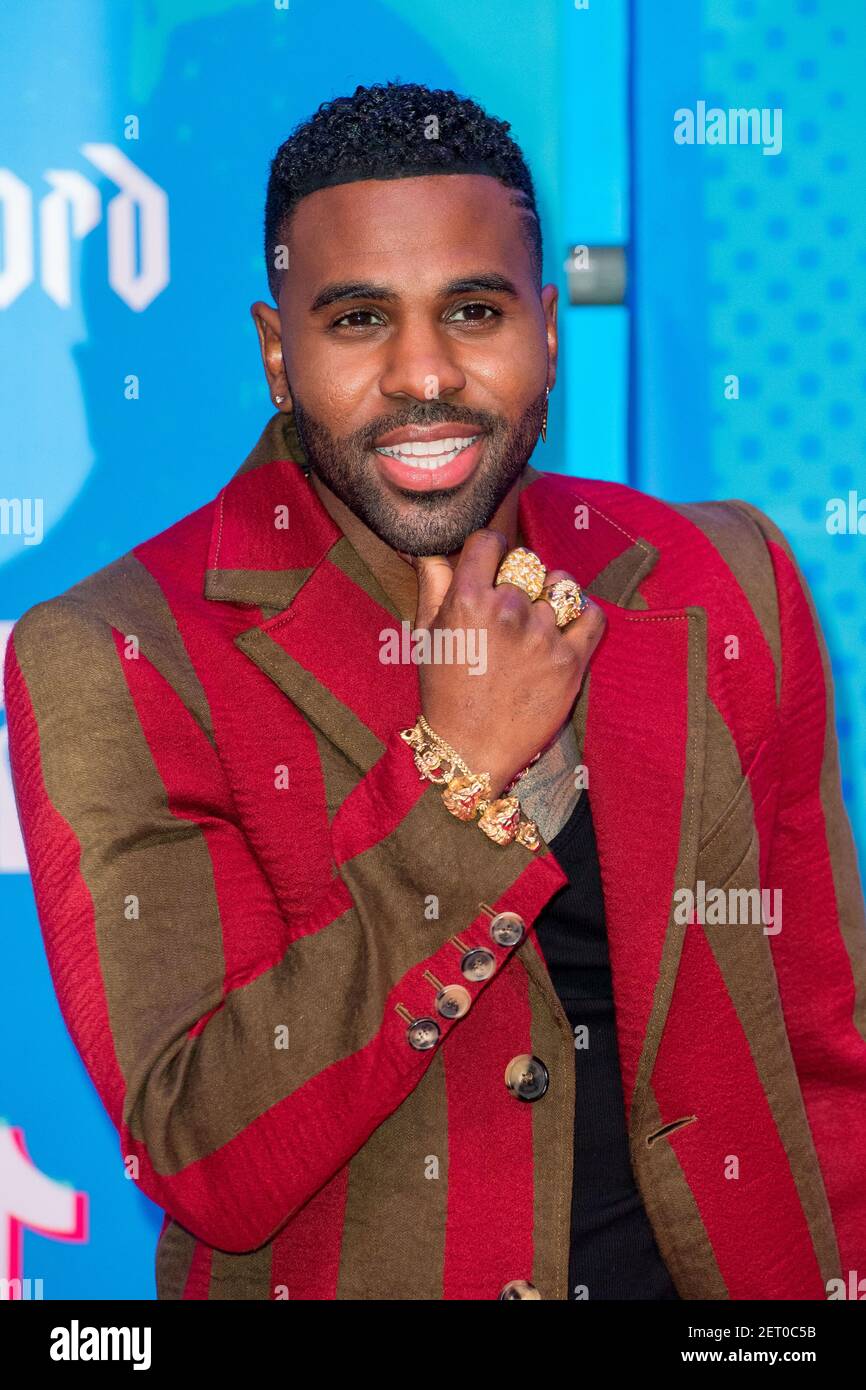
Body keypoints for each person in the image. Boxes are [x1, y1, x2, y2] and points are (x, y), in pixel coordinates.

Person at [6, 81, 866, 1301]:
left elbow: (819, 1049)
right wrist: (455, 785)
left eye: (473, 309)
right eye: (357, 319)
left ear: (550, 334)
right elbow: (204, 1148)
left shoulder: (722, 578)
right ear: (275, 353)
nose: (424, 375)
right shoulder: (119, 650)